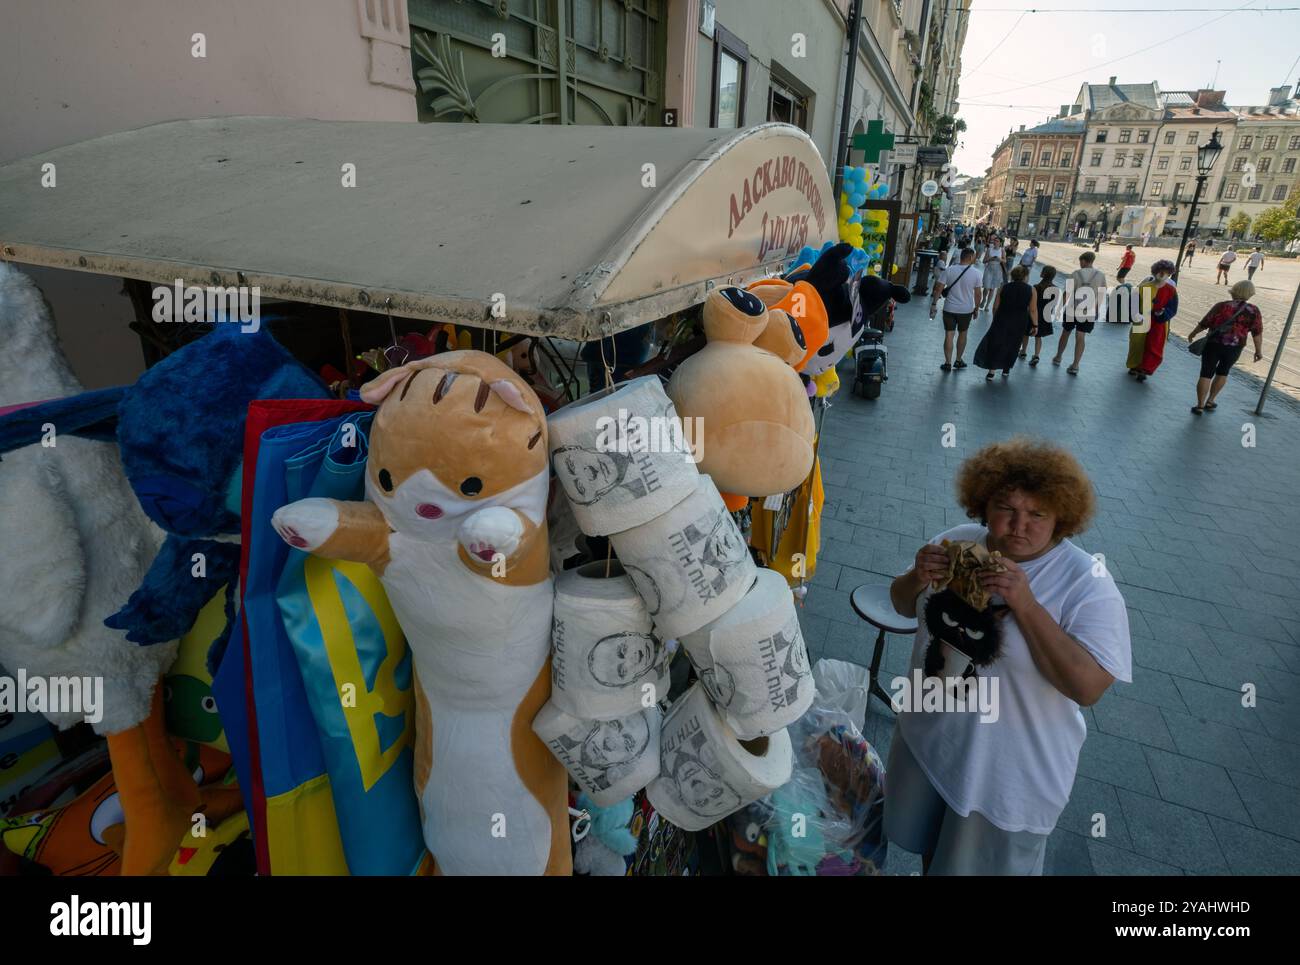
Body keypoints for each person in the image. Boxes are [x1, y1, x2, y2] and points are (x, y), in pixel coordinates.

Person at [884, 438, 1131, 876]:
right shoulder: (956, 541)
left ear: (1062, 518)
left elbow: (1089, 687)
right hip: (930, 741)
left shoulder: (1087, 582)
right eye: (1006, 508)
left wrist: (1027, 605)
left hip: (1005, 776)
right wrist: (914, 576)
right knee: (931, 856)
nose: (1019, 525)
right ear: (983, 505)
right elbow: (903, 605)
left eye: (1037, 514)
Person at [1187, 280, 1265, 414]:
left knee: (1206, 373)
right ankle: (1210, 401)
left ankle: (1199, 406)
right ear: (1250, 294)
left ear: (1234, 291)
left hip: (1214, 344)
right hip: (1235, 347)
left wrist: (1193, 333)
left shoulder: (1221, 306)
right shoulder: (1253, 310)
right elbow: (1257, 333)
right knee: (1223, 372)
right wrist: (1258, 351)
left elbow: (1205, 322)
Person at [975, 265, 1037, 380]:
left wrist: (995, 319)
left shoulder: (1003, 287)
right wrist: (1035, 325)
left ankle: (991, 371)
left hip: (1002, 318)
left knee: (998, 343)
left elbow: (995, 307)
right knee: (1014, 344)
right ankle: (1006, 369)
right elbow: (1032, 310)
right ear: (1025, 276)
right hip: (1020, 321)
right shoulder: (1031, 290)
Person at [930, 246, 984, 372]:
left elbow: (938, 288)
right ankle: (958, 360)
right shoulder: (976, 273)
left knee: (949, 334)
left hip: (949, 308)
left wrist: (934, 304)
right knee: (963, 334)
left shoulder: (949, 270)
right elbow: (978, 294)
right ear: (970, 257)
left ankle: (947, 363)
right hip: (966, 310)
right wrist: (976, 308)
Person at [1053, 251, 1106, 375]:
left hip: (1073, 308)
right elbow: (1101, 294)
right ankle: (1075, 365)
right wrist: (1097, 310)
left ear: (1084, 261)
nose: (1080, 263)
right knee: (1081, 336)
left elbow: (1067, 292)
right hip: (1089, 310)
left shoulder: (1075, 274)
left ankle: (1058, 357)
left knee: (1066, 332)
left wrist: (1060, 307)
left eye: (1080, 261)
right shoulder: (1100, 275)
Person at [1125, 259, 1178, 382]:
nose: (1162, 274)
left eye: (1165, 272)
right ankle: (1134, 366)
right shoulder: (1143, 287)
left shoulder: (1171, 290)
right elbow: (1132, 304)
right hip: (1141, 320)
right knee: (1137, 344)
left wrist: (1163, 314)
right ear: (1155, 272)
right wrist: (1135, 315)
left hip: (1159, 323)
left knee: (1154, 346)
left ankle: (1145, 369)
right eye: (1160, 271)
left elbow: (1172, 308)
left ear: (1169, 274)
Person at [1022, 265, 1059, 365]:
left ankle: (1023, 351)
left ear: (1043, 274)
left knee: (1026, 333)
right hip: (1046, 315)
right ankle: (1036, 355)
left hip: (1034, 314)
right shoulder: (1055, 289)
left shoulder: (1036, 287)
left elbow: (1031, 302)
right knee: (1039, 336)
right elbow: (1054, 304)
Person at [980, 236, 1006, 311]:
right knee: (986, 287)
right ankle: (984, 299)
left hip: (998, 271)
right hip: (989, 270)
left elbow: (1005, 261)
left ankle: (987, 305)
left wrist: (999, 259)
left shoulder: (1002, 250)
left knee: (992, 289)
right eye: (995, 241)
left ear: (1000, 243)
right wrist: (990, 259)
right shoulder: (989, 249)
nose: (995, 242)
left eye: (997, 241)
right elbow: (984, 261)